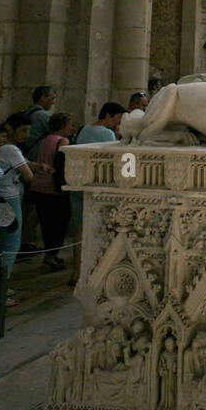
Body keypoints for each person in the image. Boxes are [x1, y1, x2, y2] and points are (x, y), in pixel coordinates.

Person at [71, 102, 125, 284]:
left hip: (79, 182)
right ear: (108, 116)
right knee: (98, 229)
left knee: (79, 229)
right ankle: (94, 272)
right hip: (98, 186)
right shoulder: (106, 133)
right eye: (117, 119)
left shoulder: (85, 129)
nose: (118, 124)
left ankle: (76, 272)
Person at [0, 112, 36, 298]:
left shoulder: (3, 149)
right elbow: (28, 175)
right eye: (24, 130)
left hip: (2, 196)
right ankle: (2, 289)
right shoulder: (10, 149)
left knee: (3, 245)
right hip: (10, 197)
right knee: (12, 244)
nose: (27, 134)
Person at [33, 112, 74, 272]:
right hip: (53, 187)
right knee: (58, 224)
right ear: (62, 127)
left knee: (46, 224)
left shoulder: (45, 140)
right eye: (69, 125)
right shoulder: (62, 141)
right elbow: (64, 164)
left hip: (39, 185)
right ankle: (49, 260)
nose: (71, 128)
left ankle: (50, 256)